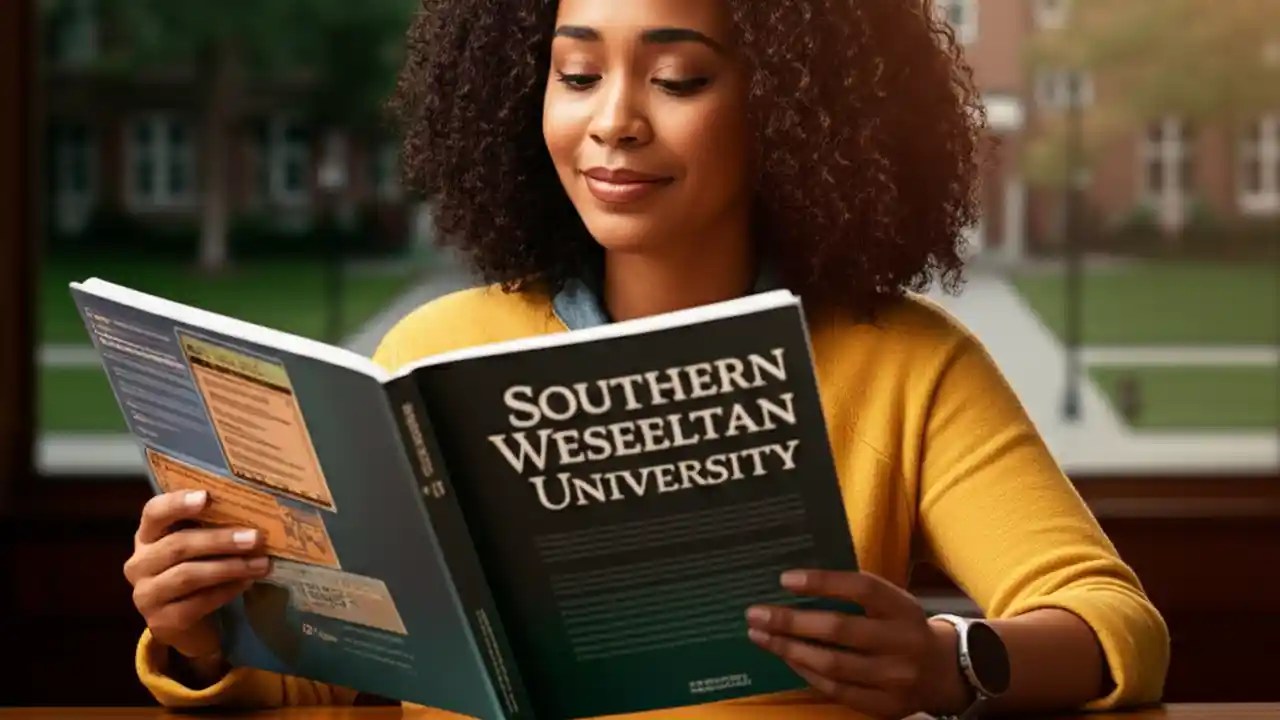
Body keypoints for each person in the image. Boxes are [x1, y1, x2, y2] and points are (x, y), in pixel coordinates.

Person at [124, 0, 1170, 717]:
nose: (611, 121)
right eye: (574, 73)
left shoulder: (906, 365)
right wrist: (203, 633)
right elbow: (340, 681)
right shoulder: (427, 354)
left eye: (676, 77)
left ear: (795, 107)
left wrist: (948, 664)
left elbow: (1110, 623)